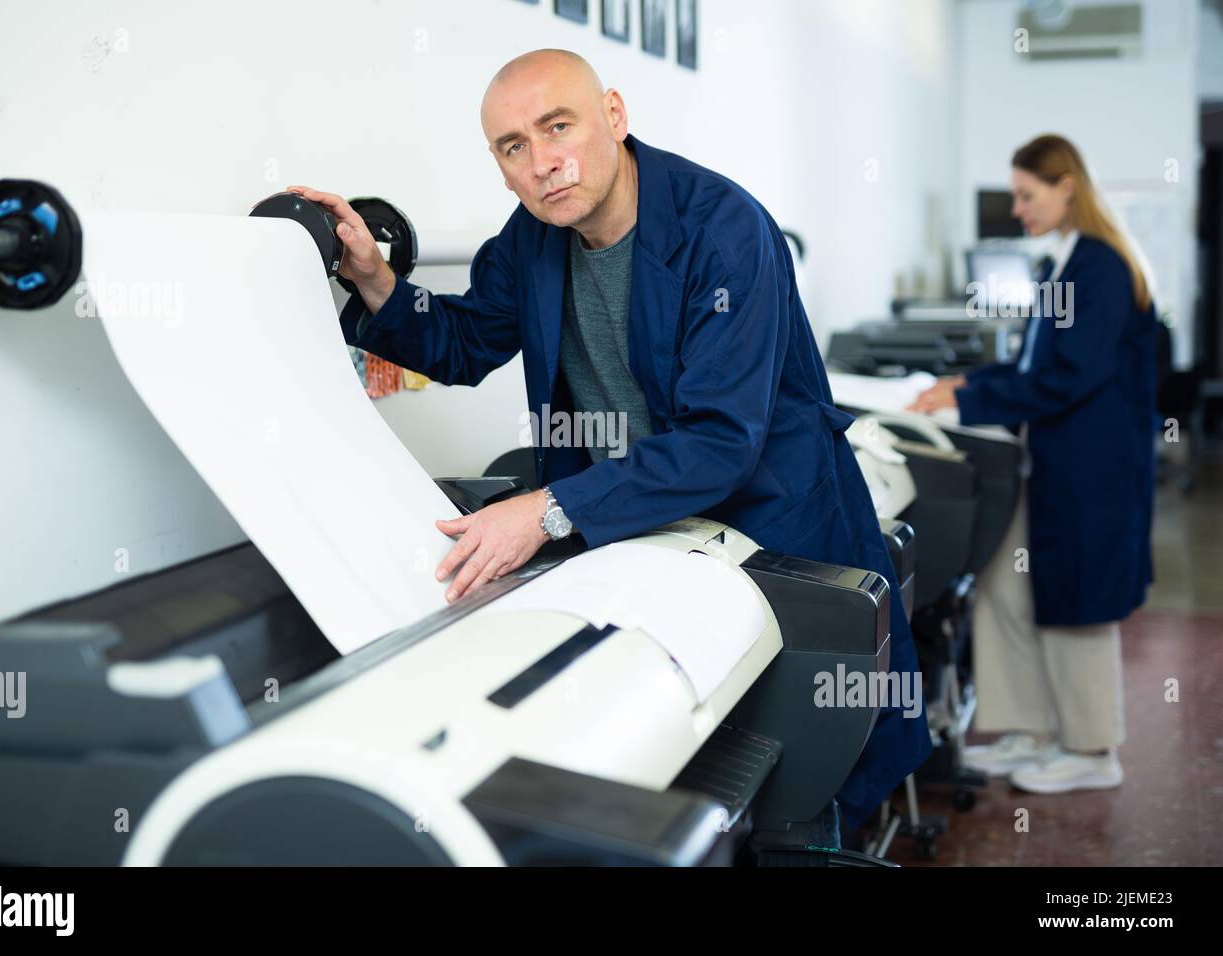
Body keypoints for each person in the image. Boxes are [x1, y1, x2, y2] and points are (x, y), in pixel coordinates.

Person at [290, 48, 930, 841]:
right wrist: (376, 279)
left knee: (791, 791)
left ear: (615, 118)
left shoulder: (723, 231)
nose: (543, 163)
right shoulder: (532, 239)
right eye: (513, 147)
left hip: (769, 530)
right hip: (646, 537)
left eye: (558, 127)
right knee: (680, 765)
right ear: (500, 167)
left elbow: (722, 441)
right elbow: (464, 341)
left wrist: (548, 510)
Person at [909, 134, 1157, 794]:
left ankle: (1093, 750)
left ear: (1066, 186)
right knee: (1004, 583)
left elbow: (1069, 377)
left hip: (1090, 469)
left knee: (1078, 601)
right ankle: (1028, 729)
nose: (1017, 209)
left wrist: (969, 398)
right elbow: (1032, 366)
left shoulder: (1099, 267)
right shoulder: (1061, 266)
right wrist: (962, 385)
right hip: (1046, 460)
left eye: (1027, 194)